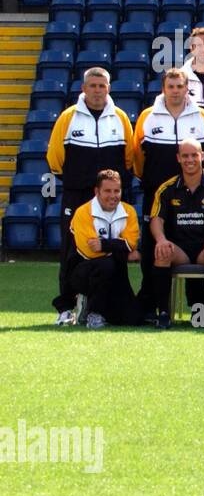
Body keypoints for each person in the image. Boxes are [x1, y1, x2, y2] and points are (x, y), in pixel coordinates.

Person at [47, 67, 134, 325]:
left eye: (102, 86)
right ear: (83, 89)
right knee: (70, 251)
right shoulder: (67, 117)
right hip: (77, 196)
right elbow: (55, 159)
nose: (97, 90)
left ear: (109, 88)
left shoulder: (119, 118)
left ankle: (104, 308)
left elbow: (129, 158)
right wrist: (79, 181)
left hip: (110, 200)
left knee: (112, 251)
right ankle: (66, 307)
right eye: (93, 85)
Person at [133, 67, 204, 322]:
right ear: (163, 88)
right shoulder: (148, 116)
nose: (176, 91)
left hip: (192, 196)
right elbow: (137, 157)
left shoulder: (201, 116)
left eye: (180, 86)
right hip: (156, 196)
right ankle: (153, 307)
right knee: (152, 251)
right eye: (171, 86)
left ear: (186, 87)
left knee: (193, 245)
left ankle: (198, 308)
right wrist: (151, 182)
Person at [148, 138, 204, 329]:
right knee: (162, 251)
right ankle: (163, 314)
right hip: (180, 250)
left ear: (202, 156)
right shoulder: (167, 188)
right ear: (178, 158)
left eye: (194, 155)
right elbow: (156, 219)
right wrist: (161, 240)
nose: (190, 159)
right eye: (185, 156)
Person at [63, 169, 141, 329]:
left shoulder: (129, 211)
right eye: (107, 191)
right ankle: (93, 311)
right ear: (96, 191)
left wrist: (104, 245)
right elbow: (90, 251)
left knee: (133, 319)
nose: (113, 196)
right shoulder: (83, 212)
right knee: (106, 265)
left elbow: (131, 244)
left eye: (116, 191)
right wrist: (122, 251)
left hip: (116, 273)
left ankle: (96, 307)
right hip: (82, 272)